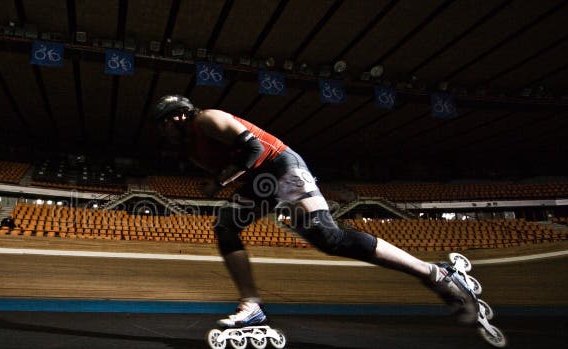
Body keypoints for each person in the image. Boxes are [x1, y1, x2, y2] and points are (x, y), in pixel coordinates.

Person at [151, 95, 479, 329]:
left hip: (279, 164)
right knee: (226, 226)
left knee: (327, 237)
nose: (161, 133)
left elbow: (254, 148)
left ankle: (434, 273)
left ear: (177, 115)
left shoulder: (207, 119)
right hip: (261, 181)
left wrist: (219, 182)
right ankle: (251, 305)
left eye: (162, 124)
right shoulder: (192, 151)